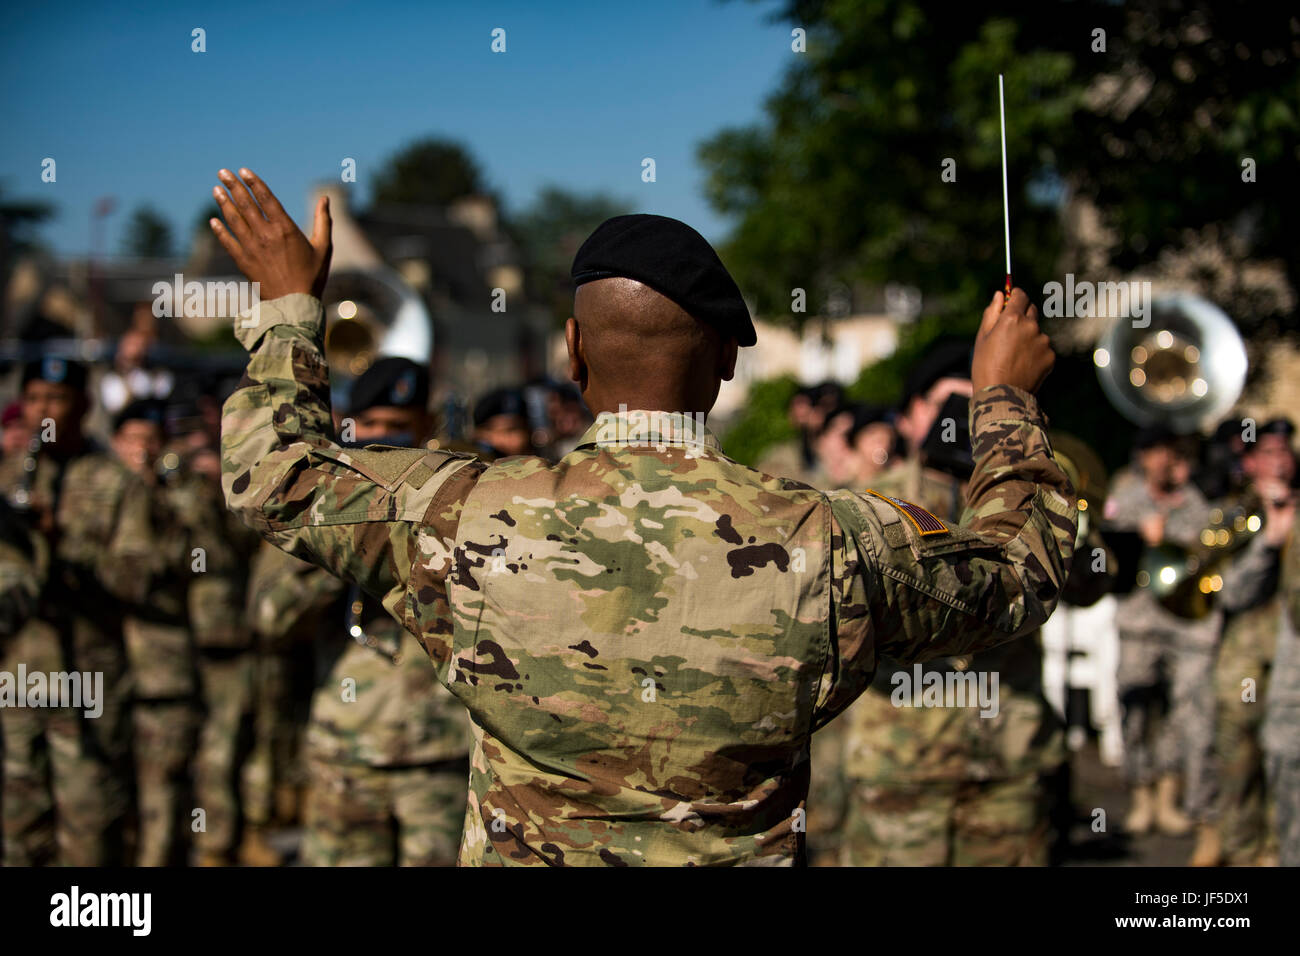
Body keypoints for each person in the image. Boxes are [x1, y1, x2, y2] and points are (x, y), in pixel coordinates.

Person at [209, 168, 1074, 865]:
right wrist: (1002, 401)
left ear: (576, 354)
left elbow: (275, 472)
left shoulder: (461, 519)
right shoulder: (830, 544)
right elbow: (1019, 575)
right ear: (730, 361)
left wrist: (290, 307)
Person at [828, 342, 1067, 866]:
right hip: (902, 765)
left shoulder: (1028, 496)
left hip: (1008, 767)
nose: (964, 422)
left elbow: (1091, 582)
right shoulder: (866, 502)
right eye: (949, 405)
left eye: (981, 407)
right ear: (912, 416)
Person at [281, 358, 473, 866]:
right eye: (373, 426)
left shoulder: (454, 503)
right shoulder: (314, 507)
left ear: (424, 429)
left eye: (398, 428)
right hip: (346, 748)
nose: (382, 440)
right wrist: (341, 543)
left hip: (438, 750)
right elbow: (269, 617)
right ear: (350, 423)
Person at [0, 358, 148, 865]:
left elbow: (136, 578)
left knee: (90, 823)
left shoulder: (114, 481)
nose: (44, 411)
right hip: (17, 675)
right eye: (35, 398)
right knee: (18, 822)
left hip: (87, 675)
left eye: (56, 399)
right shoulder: (9, 474)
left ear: (83, 406)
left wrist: (65, 545)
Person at [1209, 418, 1297, 865]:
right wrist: (1269, 543)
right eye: (1269, 454)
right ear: (1252, 461)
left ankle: (1276, 853)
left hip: (1286, 661)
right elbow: (1228, 591)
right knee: (1239, 767)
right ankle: (1241, 854)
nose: (1280, 461)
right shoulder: (1236, 511)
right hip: (1242, 661)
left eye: (1286, 453)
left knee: (1285, 767)